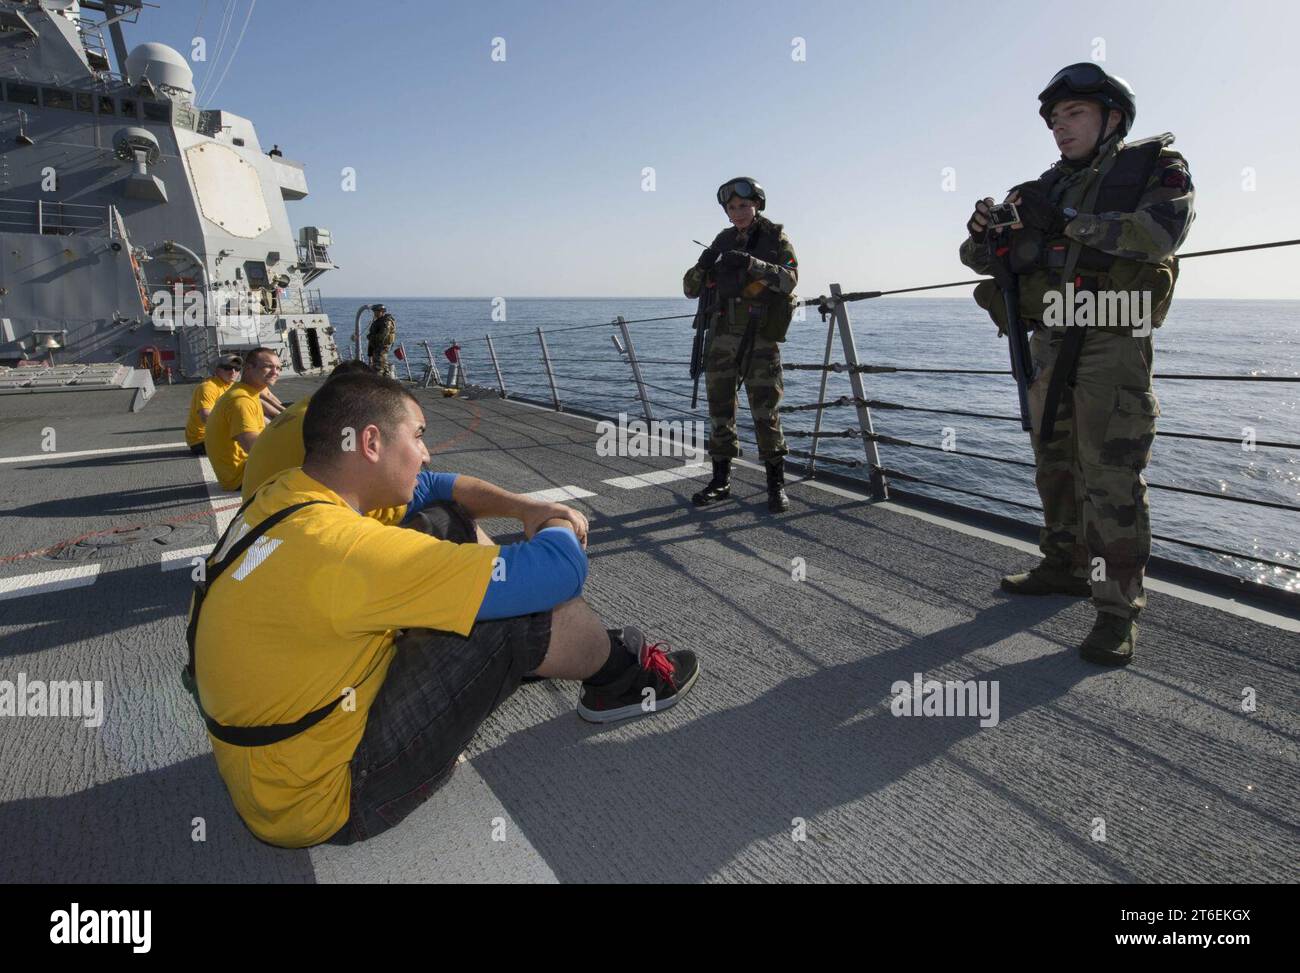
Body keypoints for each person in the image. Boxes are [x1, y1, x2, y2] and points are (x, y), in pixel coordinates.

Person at [188, 373, 700, 847]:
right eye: (417, 436)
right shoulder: (346, 550)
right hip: (326, 798)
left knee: (443, 521)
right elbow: (558, 571)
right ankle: (625, 680)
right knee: (517, 613)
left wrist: (526, 508)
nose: (426, 453)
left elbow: (433, 491)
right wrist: (558, 519)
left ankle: (530, 659)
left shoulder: (289, 495)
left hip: (274, 761)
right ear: (371, 443)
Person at [958, 63, 1194, 666]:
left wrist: (1063, 223)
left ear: (1113, 118)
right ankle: (1064, 565)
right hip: (1050, 337)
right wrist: (985, 233)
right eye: (1054, 119)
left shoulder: (1156, 168)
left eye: (1075, 114)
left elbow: (1159, 235)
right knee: (1054, 460)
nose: (1060, 127)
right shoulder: (1044, 186)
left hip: (1112, 335)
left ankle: (1116, 611)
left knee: (1110, 475)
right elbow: (977, 258)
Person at [683, 177, 799, 513]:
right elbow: (690, 289)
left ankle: (775, 486)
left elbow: (790, 279)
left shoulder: (776, 238)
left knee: (766, 412)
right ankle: (720, 481)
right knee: (720, 411)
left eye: (744, 206)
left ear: (757, 205)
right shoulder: (722, 241)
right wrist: (703, 265)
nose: (738, 212)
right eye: (732, 207)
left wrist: (751, 263)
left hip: (759, 337)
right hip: (721, 338)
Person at [203, 346, 283, 490]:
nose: (275, 372)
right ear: (248, 368)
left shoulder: (246, 392)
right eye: (268, 367)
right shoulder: (241, 401)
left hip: (239, 470)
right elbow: (254, 448)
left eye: (278, 368)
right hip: (241, 476)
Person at [184, 354, 241, 455]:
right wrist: (235, 429)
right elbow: (205, 416)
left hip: (217, 435)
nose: (233, 372)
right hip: (202, 441)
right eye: (228, 368)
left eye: (237, 368)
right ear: (217, 370)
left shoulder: (232, 385)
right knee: (252, 446)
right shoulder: (208, 387)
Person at [367, 304, 397, 378]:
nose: (375, 313)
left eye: (377, 311)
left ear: (382, 312)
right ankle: (387, 381)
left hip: (382, 347)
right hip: (377, 347)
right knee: (383, 366)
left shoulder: (386, 322)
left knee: (379, 367)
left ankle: (379, 382)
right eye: (374, 312)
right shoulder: (378, 321)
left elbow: (382, 336)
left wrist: (370, 337)